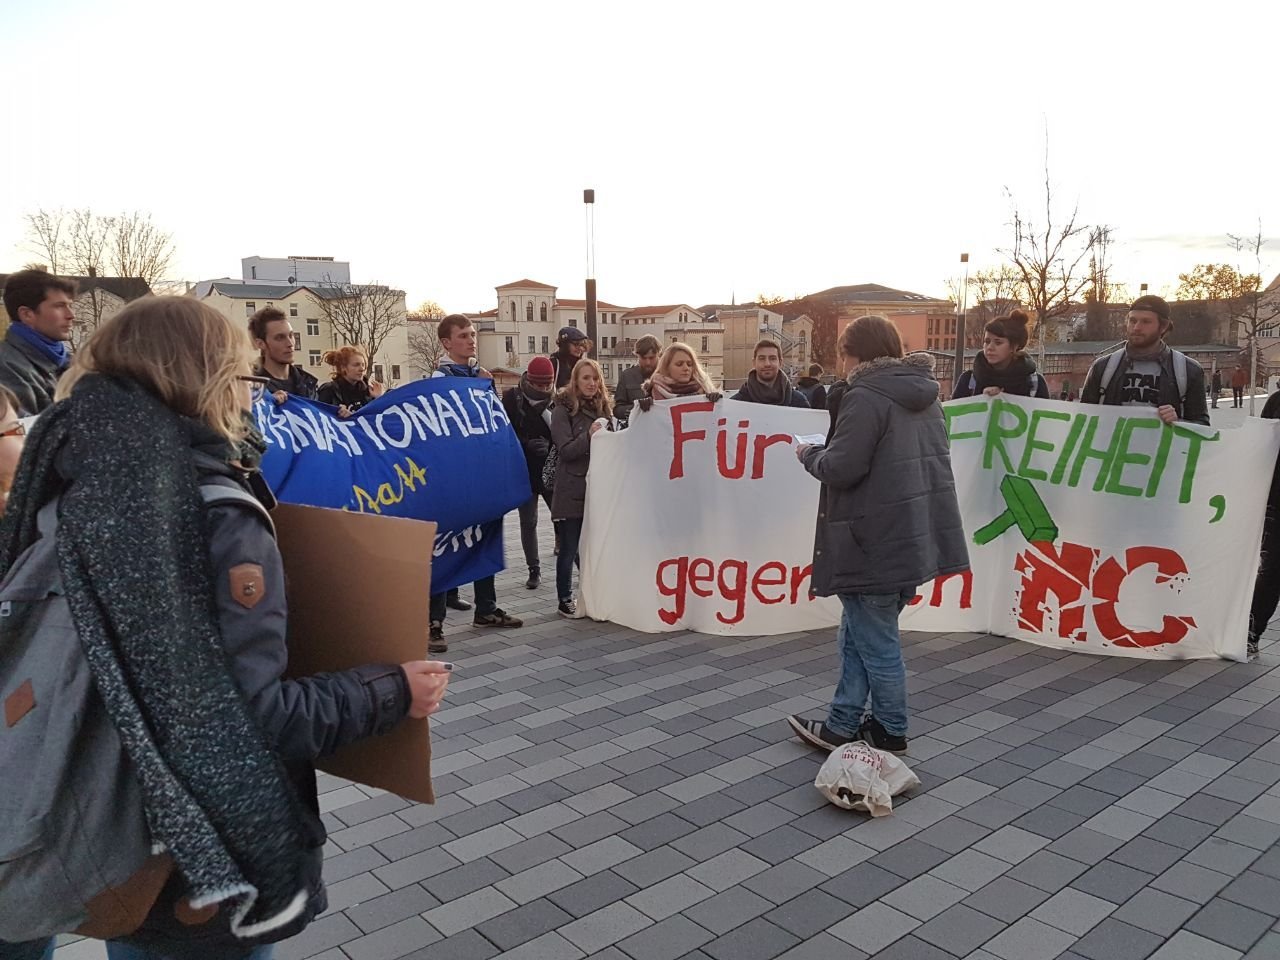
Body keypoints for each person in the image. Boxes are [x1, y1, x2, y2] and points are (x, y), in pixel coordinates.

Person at [0, 297, 450, 960]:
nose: (253, 394)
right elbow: (244, 719)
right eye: (245, 375)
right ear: (205, 378)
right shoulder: (208, 508)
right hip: (204, 849)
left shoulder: (82, 477)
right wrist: (391, 690)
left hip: (124, 820)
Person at [787, 315, 968, 755]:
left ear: (855, 355)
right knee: (858, 635)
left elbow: (841, 468)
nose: (839, 363)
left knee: (877, 643)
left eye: (841, 354)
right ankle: (841, 724)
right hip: (912, 535)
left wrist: (808, 453)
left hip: (871, 540)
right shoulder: (925, 396)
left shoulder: (866, 396)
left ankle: (890, 729)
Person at [427, 314, 523, 652]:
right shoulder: (437, 382)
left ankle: (486, 608)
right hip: (451, 480)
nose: (471, 340)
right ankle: (433, 623)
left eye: (472, 335)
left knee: (485, 538)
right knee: (442, 548)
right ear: (446, 342)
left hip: (480, 476)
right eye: (463, 335)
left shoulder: (481, 379)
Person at [1080, 295, 1210, 426]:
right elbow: (1081, 419)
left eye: (1146, 322)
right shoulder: (1102, 367)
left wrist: (1178, 422)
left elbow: (1202, 426)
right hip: (1110, 445)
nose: (1136, 327)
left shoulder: (1189, 370)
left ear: (1163, 326)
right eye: (1133, 320)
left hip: (1162, 446)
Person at [549, 359, 612, 618]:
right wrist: (589, 436)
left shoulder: (604, 408)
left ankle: (595, 590)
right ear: (575, 380)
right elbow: (565, 450)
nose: (591, 383)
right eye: (586, 378)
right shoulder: (562, 409)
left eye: (595, 378)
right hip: (571, 487)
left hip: (598, 488)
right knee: (570, 546)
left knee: (593, 547)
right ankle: (565, 598)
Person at [502, 356, 556, 590]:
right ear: (529, 381)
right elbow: (505, 434)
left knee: (562, 518)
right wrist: (527, 444)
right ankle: (533, 568)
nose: (544, 390)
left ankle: (572, 559)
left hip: (551, 467)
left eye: (548, 385)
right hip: (523, 470)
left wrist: (550, 446)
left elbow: (565, 433)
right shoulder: (512, 399)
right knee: (528, 521)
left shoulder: (559, 400)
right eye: (539, 385)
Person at [0, 269, 77, 416]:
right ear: (27, 314)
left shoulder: (72, 364)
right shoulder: (6, 368)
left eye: (70, 305)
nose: (71, 315)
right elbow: (22, 435)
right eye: (59, 306)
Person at [951, 309, 1051, 400]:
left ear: (1014, 346)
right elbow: (954, 416)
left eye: (998, 342)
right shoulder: (968, 380)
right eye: (987, 341)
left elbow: (1044, 417)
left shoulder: (1034, 383)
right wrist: (981, 399)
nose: (990, 347)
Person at [1248, 388, 1280, 659]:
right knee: (1272, 570)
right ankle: (1251, 633)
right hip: (1277, 501)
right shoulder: (1277, 401)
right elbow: (1259, 450)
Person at [249, 306, 318, 403]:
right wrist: (267, 403)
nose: (290, 344)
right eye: (280, 338)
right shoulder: (250, 386)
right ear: (260, 344)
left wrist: (337, 414)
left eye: (291, 335)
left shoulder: (307, 383)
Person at [637, 342, 722, 412]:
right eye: (679, 364)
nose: (686, 368)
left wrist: (718, 403)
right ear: (666, 368)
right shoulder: (651, 395)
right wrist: (642, 411)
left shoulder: (706, 391)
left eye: (689, 364)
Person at [732, 339, 811, 407]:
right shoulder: (737, 403)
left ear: (780, 362)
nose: (767, 364)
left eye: (772, 358)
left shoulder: (799, 402)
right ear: (754, 363)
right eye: (762, 358)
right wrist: (719, 407)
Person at [316, 345, 384, 418]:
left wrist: (378, 399)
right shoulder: (329, 390)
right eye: (356, 365)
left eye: (363, 365)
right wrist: (337, 414)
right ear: (343, 367)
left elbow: (376, 419)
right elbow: (319, 418)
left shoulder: (367, 392)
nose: (362, 369)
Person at [612, 335, 661, 423]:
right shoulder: (626, 376)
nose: (648, 362)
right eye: (643, 358)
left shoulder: (668, 375)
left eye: (651, 358)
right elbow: (617, 409)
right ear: (637, 356)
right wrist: (636, 408)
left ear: (659, 354)